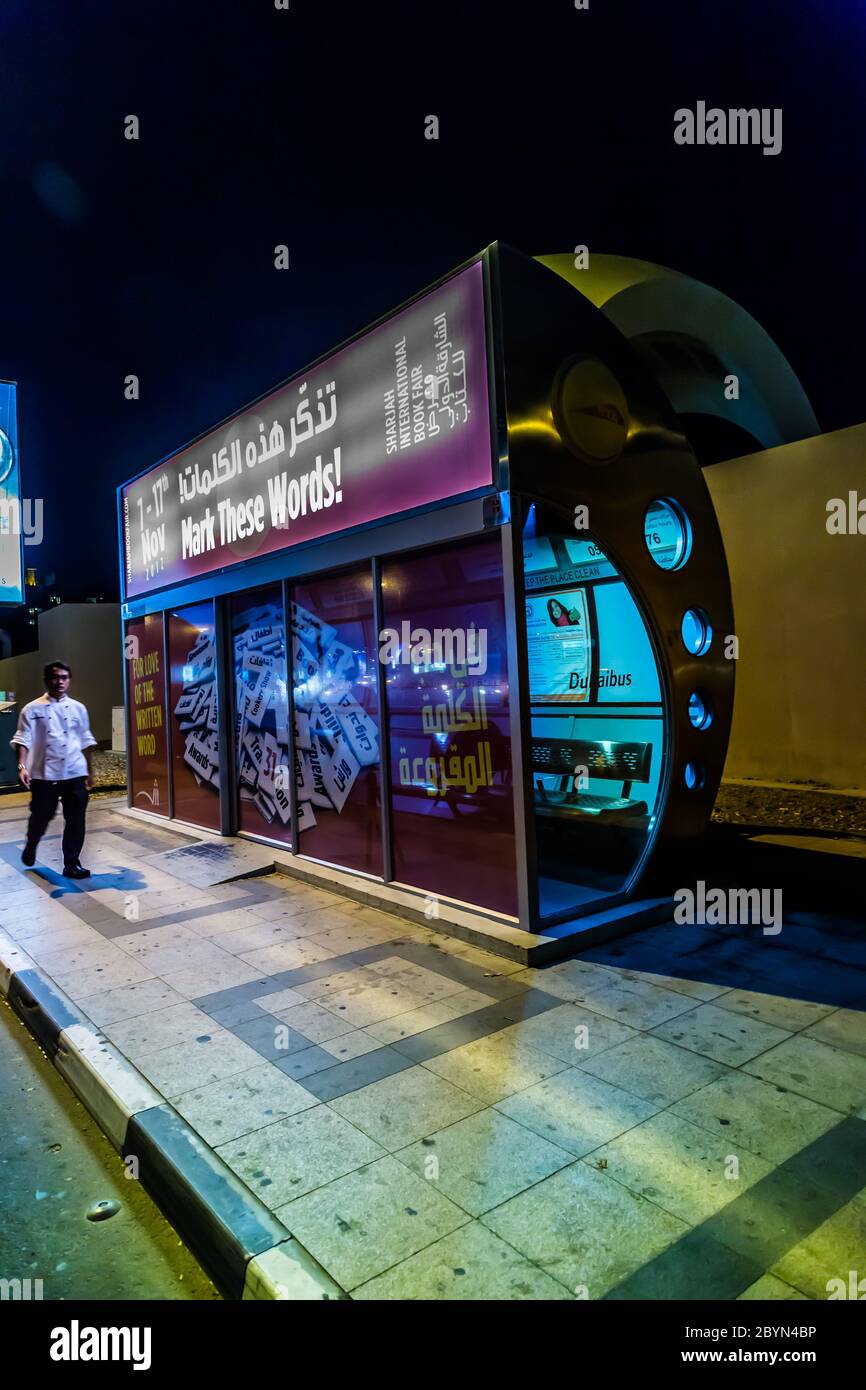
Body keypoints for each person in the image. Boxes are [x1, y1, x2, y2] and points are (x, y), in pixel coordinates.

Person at [11, 661, 96, 878]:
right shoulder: (31, 709)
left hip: (75, 772)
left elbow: (86, 741)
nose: (60, 682)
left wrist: (90, 770)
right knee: (41, 817)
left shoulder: (78, 708)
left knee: (76, 820)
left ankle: (71, 864)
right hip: (44, 775)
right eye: (56, 677)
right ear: (46, 679)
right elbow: (23, 739)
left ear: (69, 680)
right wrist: (22, 766)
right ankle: (31, 845)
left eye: (64, 677)